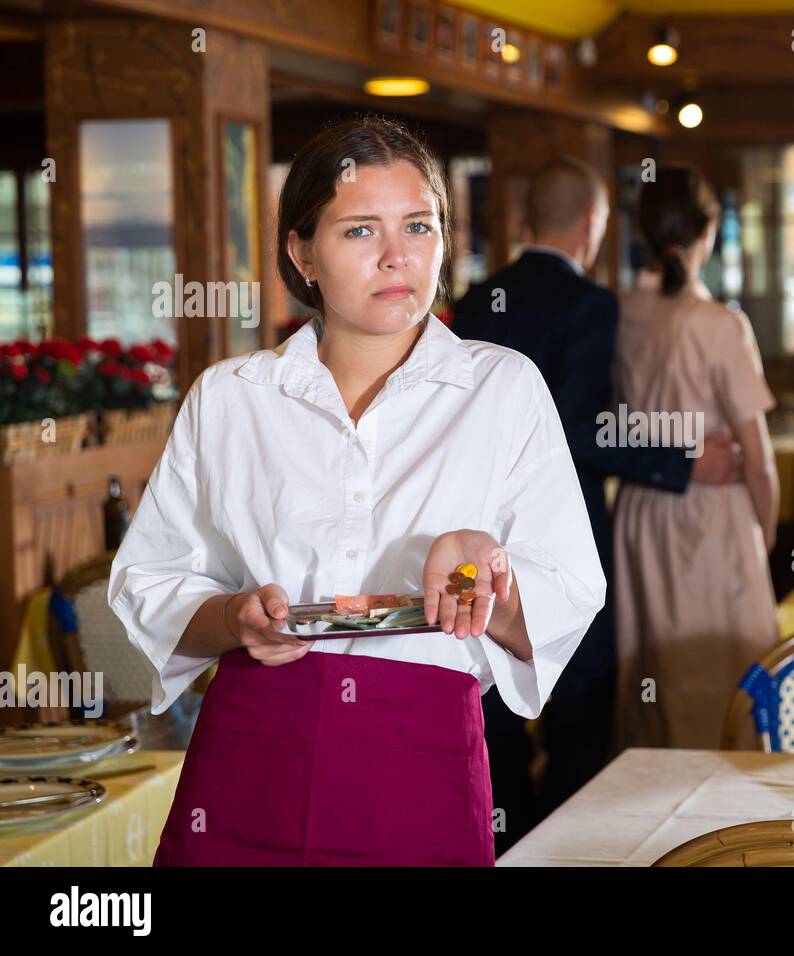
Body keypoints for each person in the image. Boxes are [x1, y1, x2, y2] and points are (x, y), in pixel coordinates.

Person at [108, 116, 603, 866]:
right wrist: (236, 619)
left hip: (420, 752)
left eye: (419, 226)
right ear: (301, 250)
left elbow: (568, 592)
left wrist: (484, 578)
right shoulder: (232, 396)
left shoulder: (502, 387)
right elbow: (150, 585)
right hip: (253, 747)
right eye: (360, 231)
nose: (398, 256)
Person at [453, 156, 742, 848]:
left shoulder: (476, 298)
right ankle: (573, 851)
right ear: (591, 224)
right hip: (557, 535)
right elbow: (578, 430)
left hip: (472, 531)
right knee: (578, 712)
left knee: (491, 712)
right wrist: (681, 459)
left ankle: (506, 843)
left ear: (529, 221)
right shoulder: (591, 306)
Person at [613, 165, 779, 750]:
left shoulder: (623, 313)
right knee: (730, 683)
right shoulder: (719, 324)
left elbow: (611, 425)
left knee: (654, 682)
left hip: (640, 513)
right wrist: (763, 536)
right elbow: (757, 460)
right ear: (710, 231)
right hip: (712, 515)